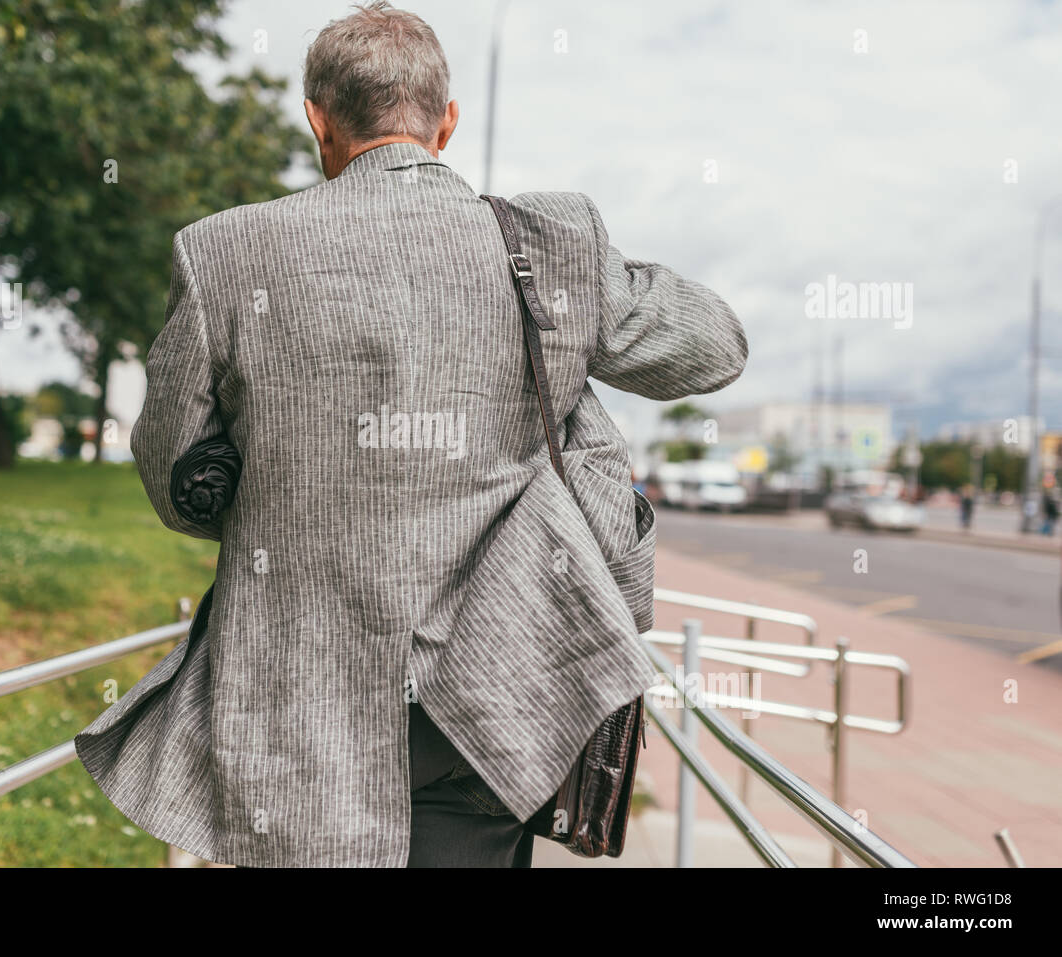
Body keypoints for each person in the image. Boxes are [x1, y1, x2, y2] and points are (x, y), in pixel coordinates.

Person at [75, 1, 747, 867]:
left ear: (316, 118)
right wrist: (590, 276)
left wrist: (278, 497)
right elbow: (715, 348)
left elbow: (175, 476)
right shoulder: (550, 246)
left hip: (297, 704)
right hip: (500, 694)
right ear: (446, 122)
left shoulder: (224, 253)